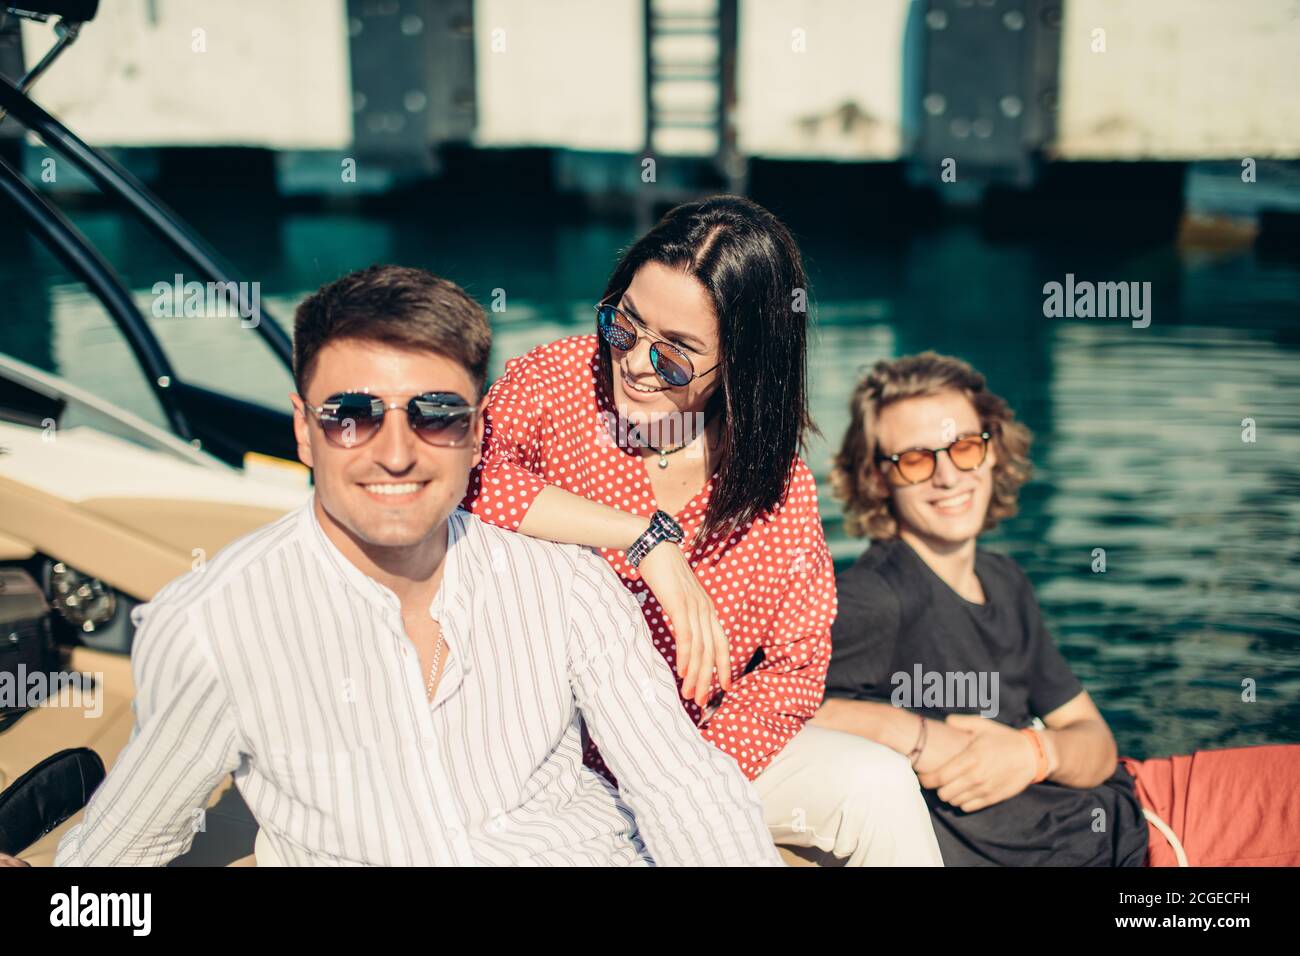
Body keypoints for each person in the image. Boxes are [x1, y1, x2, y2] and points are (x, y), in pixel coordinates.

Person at [1, 265, 782, 867]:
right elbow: (123, 853)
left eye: (437, 414)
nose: (398, 451)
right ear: (303, 431)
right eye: (352, 415)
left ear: (478, 435)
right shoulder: (215, 625)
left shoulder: (569, 587)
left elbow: (683, 788)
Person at [459, 196, 943, 865]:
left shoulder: (778, 485)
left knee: (879, 784)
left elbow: (793, 671)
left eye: (676, 355)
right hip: (537, 758)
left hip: (697, 753)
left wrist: (691, 782)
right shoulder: (559, 383)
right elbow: (465, 484)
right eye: (624, 324)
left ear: (743, 363)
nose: (633, 362)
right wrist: (645, 540)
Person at [815, 351, 1300, 866]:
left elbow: (1097, 743)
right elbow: (765, 710)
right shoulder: (878, 596)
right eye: (914, 459)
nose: (948, 476)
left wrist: (1032, 754)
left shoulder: (1004, 580)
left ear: (993, 450)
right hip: (1125, 849)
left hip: (1140, 808)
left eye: (963, 447)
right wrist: (915, 737)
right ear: (875, 478)